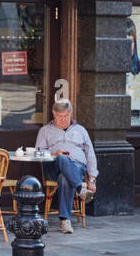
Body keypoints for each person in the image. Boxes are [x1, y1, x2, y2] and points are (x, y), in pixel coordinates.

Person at [34, 99, 97, 234]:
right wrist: (54, 154)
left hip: (77, 167)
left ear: (70, 114)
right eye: (59, 116)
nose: (63, 119)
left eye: (66, 116)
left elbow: (90, 155)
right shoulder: (45, 130)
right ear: (54, 115)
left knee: (64, 178)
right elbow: (38, 152)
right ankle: (81, 189)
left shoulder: (81, 130)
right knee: (62, 158)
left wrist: (92, 179)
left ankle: (65, 221)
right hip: (53, 167)